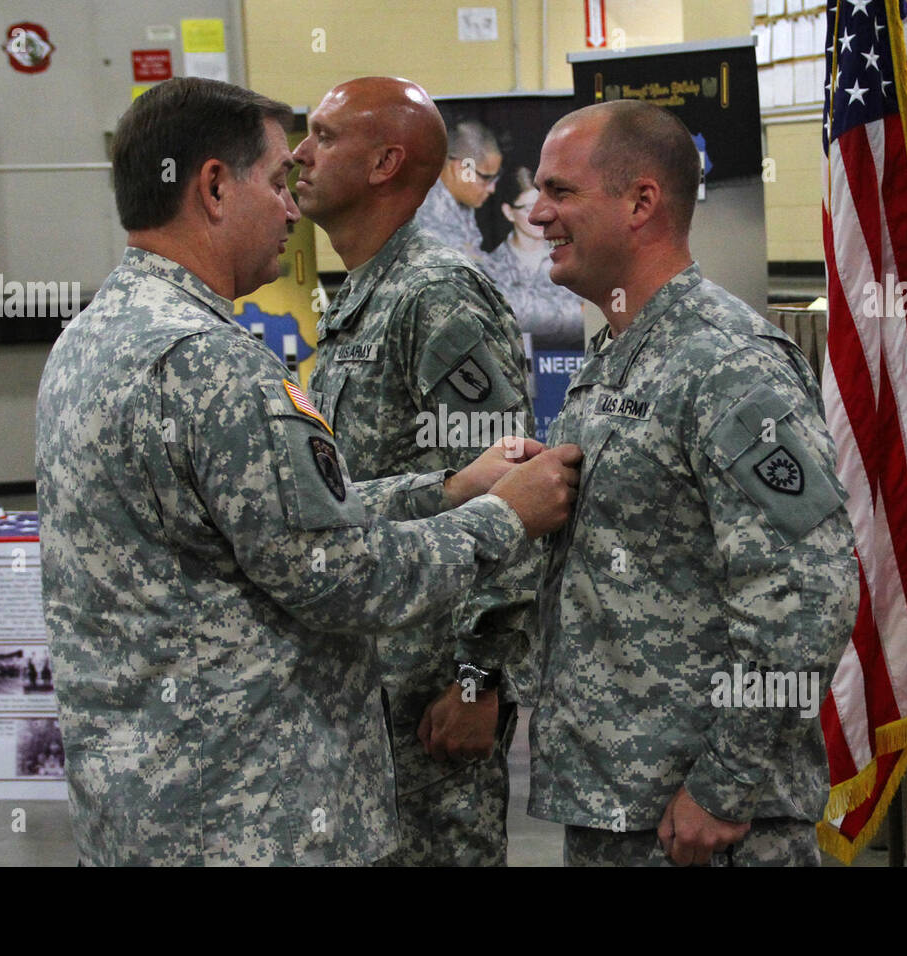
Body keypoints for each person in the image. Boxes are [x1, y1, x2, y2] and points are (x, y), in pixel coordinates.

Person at [35, 77, 580, 866]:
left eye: (318, 148)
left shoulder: (92, 337)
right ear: (214, 187)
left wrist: (451, 497)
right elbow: (333, 569)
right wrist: (501, 515)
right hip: (250, 803)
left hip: (151, 790)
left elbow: (277, 513)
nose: (290, 201)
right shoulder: (213, 363)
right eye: (275, 176)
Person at [525, 100, 859, 866]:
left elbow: (807, 589)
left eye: (561, 192)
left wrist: (725, 783)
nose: (539, 214)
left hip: (708, 827)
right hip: (620, 807)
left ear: (642, 202)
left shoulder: (726, 362)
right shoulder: (616, 357)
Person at [294, 76, 536, 867]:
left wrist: (479, 679)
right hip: (366, 679)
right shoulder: (365, 290)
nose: (299, 154)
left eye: (323, 137)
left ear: (385, 162)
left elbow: (513, 481)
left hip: (430, 690)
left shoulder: (437, 293)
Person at [482, 166, 587, 351]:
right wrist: (575, 313)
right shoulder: (490, 267)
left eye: (543, 205)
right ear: (508, 212)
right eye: (529, 208)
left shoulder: (571, 257)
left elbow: (594, 318)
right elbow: (500, 323)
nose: (540, 216)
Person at [413, 118, 501, 262]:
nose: (492, 188)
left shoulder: (461, 203)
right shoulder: (426, 207)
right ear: (460, 169)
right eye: (486, 178)